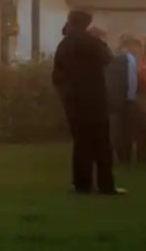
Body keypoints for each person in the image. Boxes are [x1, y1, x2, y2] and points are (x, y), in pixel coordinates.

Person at [52, 10, 122, 195]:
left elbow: (57, 76)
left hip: (73, 101)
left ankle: (82, 184)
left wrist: (65, 96)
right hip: (95, 99)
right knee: (101, 143)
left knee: (81, 143)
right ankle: (105, 184)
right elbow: (109, 58)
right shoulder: (92, 43)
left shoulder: (64, 45)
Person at [106, 34, 142, 164]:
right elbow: (132, 81)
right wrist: (132, 98)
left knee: (115, 129)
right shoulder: (129, 59)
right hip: (124, 99)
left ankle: (114, 155)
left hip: (112, 97)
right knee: (124, 130)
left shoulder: (112, 58)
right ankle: (124, 156)